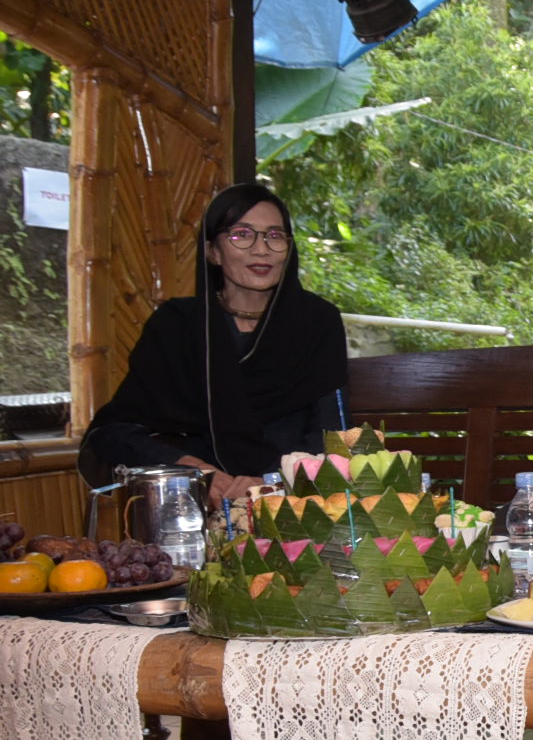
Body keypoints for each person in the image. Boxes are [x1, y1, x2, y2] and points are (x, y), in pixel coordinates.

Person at [80, 183, 347, 506]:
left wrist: (272, 480)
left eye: (274, 236)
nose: (261, 249)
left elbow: (330, 432)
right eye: (241, 235)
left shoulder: (317, 321)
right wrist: (192, 470)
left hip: (291, 504)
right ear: (213, 251)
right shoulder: (177, 325)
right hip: (190, 503)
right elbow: (116, 432)